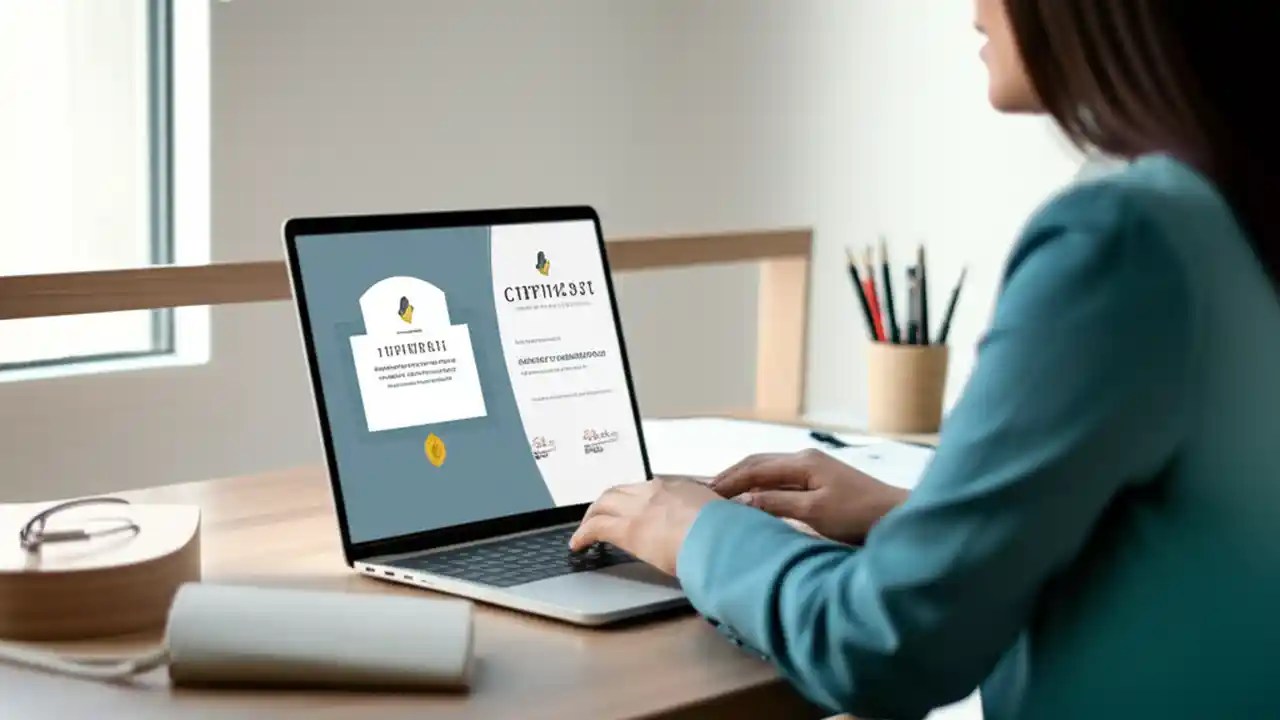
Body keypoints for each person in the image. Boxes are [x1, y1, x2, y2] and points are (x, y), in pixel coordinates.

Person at [570, 1, 1280, 718]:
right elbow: (1190, 544)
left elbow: (885, 647)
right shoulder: (1229, 213)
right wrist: (924, 521)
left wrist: (696, 531)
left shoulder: (1121, 242)